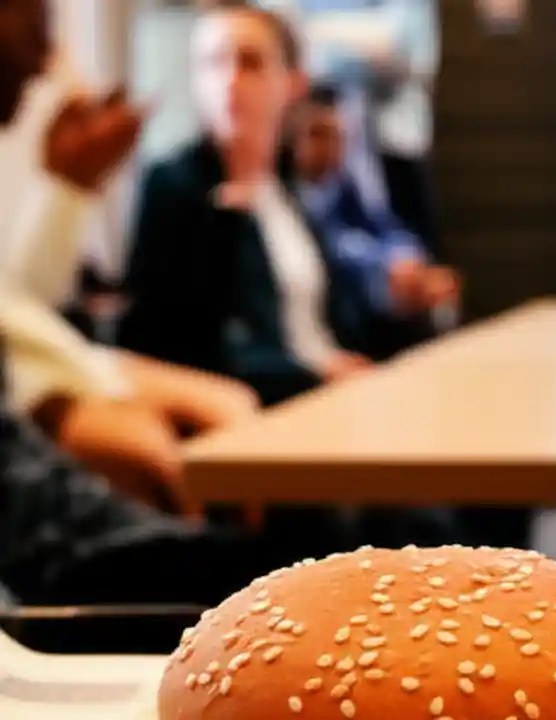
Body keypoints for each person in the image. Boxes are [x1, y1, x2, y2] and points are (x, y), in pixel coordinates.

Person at [0, 0, 291, 607]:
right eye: (32, 12)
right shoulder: (179, 182)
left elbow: (21, 309)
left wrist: (67, 187)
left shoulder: (279, 184)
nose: (49, 49)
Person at [118, 5, 373, 407]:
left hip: (333, 396)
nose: (230, 81)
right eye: (211, 64)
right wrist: (315, 375)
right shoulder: (175, 187)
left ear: (292, 83)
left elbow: (333, 318)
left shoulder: (289, 190)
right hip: (262, 409)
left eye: (250, 63)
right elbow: (179, 348)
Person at [292, 84, 459, 359]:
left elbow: (387, 229)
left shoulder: (347, 186)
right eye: (318, 135)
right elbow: (334, 249)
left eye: (338, 137)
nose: (330, 148)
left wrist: (408, 261)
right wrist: (387, 271)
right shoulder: (290, 195)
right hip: (345, 317)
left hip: (390, 297)